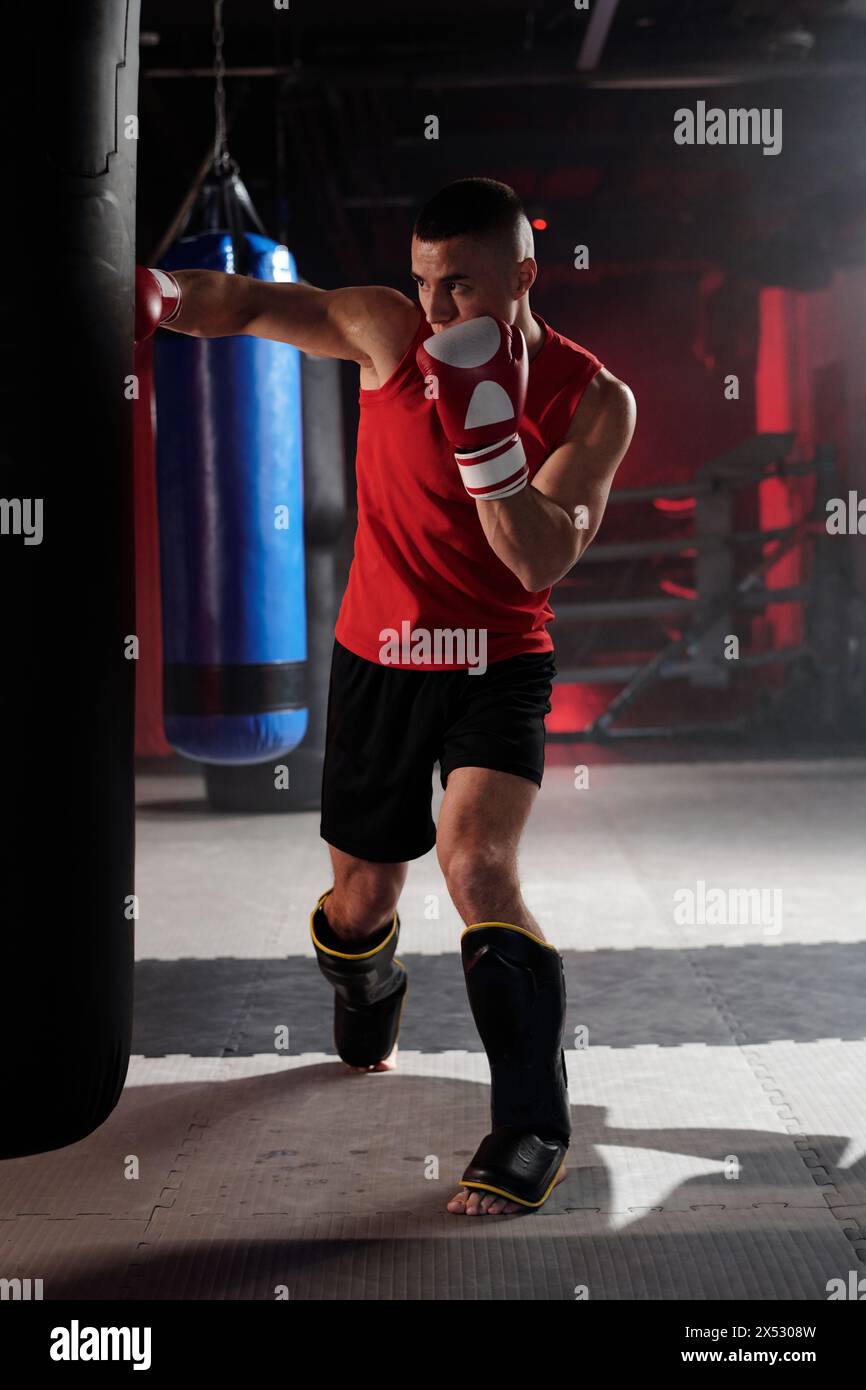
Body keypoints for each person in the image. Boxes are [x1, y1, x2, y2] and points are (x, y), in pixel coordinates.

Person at [136, 177, 636, 1215]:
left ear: (523, 278)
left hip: (495, 664)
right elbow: (266, 308)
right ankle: (369, 982)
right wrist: (156, 295)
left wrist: (485, 441)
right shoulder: (386, 334)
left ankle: (528, 1125)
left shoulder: (592, 401)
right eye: (425, 282)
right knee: (360, 904)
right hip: (379, 659)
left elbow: (536, 561)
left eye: (461, 287)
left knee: (478, 869)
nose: (438, 308)